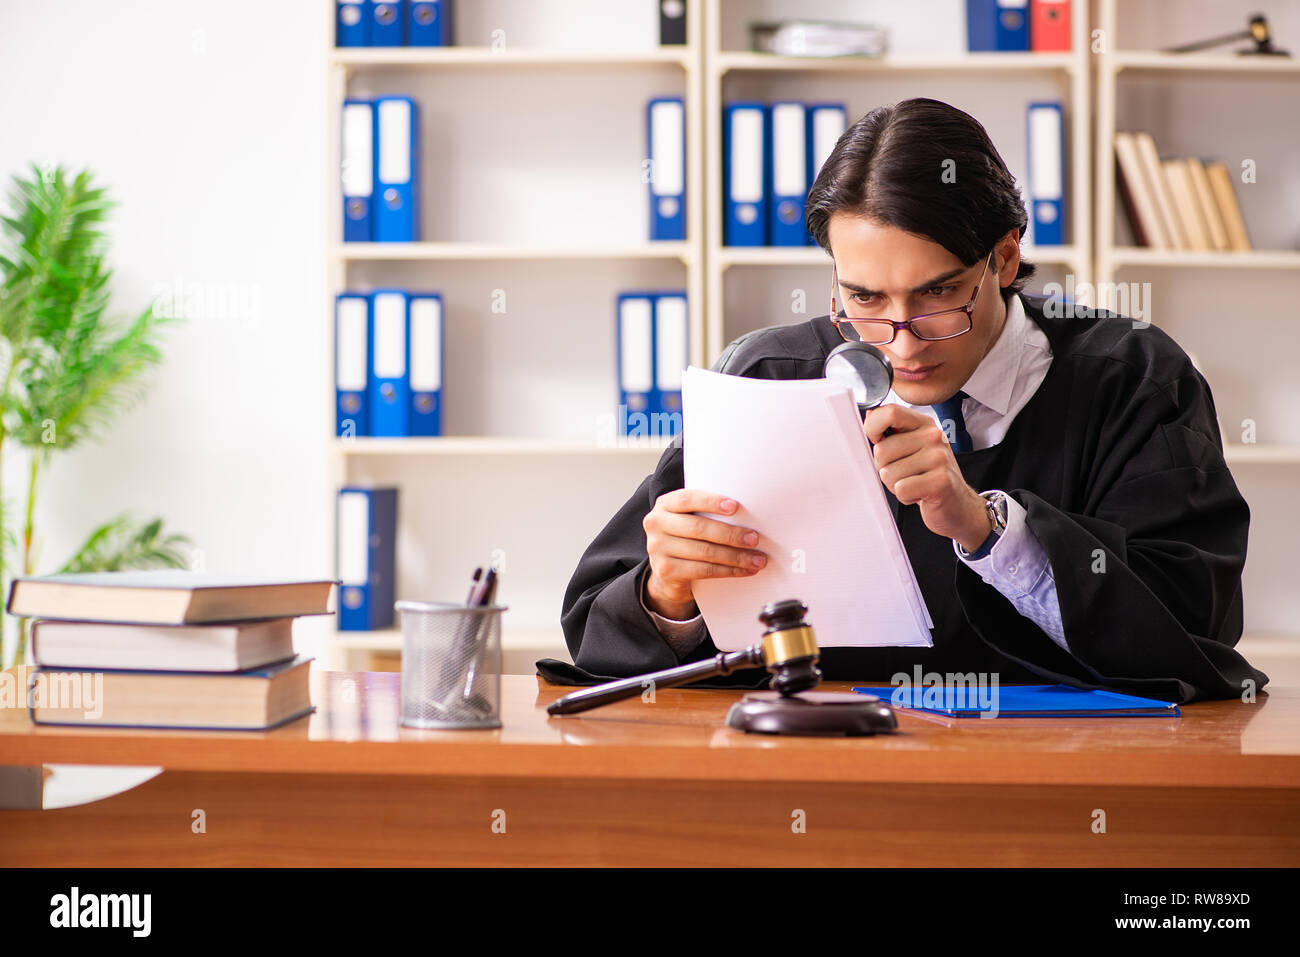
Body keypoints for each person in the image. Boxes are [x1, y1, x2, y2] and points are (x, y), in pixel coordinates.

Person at [548, 97, 1267, 703]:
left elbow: (1193, 628)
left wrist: (988, 530)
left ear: (1006, 258)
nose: (902, 342)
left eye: (940, 293)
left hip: (1055, 781)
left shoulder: (1134, 378)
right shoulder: (768, 377)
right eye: (864, 298)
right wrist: (670, 593)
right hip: (807, 771)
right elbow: (598, 630)